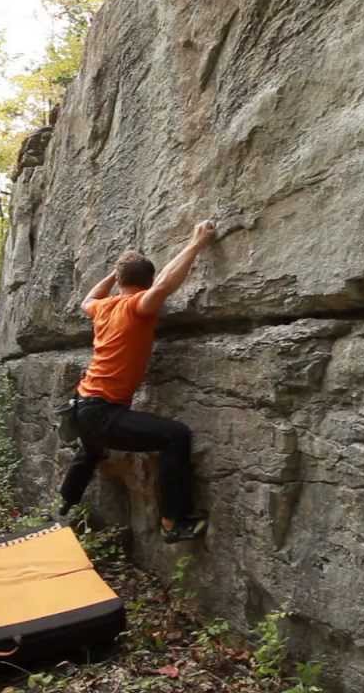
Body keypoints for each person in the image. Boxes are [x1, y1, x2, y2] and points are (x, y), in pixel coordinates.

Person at [58, 220, 218, 543]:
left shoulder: (104, 307)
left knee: (90, 451)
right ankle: (173, 523)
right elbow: (163, 287)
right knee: (176, 436)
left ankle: (64, 503)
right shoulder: (136, 306)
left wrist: (113, 276)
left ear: (120, 281)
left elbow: (87, 299)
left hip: (82, 405)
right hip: (103, 412)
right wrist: (196, 244)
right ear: (145, 284)